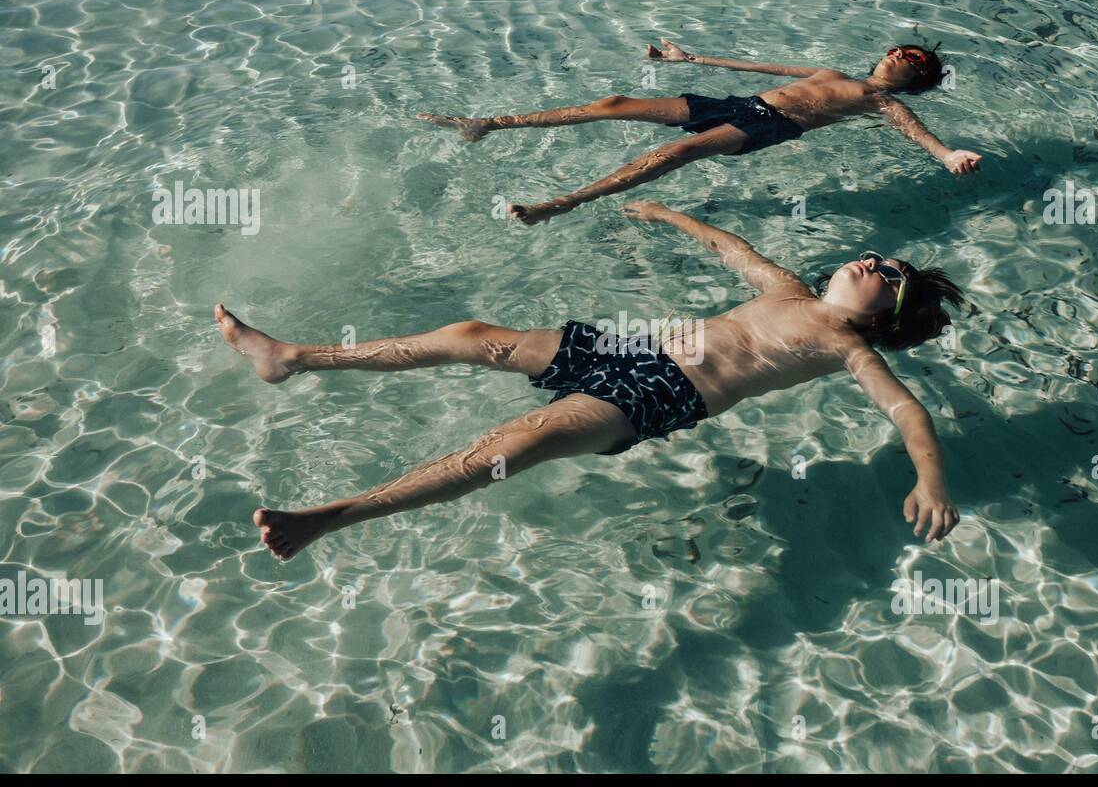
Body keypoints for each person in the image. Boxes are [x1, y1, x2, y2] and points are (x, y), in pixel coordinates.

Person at [217, 201, 964, 561]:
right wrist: (669, 214)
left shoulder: (844, 346)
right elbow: (732, 250)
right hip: (630, 346)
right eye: (884, 258)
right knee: (469, 337)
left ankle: (332, 516)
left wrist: (930, 482)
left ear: (883, 321)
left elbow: (908, 414)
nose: (877, 264)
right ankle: (292, 358)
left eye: (890, 279)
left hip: (658, 395)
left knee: (508, 446)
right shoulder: (789, 290)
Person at [419, 39, 983, 223]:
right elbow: (764, 70)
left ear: (917, 77)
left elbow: (913, 128)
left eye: (912, 57)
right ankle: (487, 124)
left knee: (675, 153)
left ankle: (560, 204)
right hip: (738, 101)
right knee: (613, 102)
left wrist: (946, 154)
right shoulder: (833, 73)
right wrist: (685, 57)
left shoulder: (882, 102)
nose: (897, 54)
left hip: (770, 125)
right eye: (899, 47)